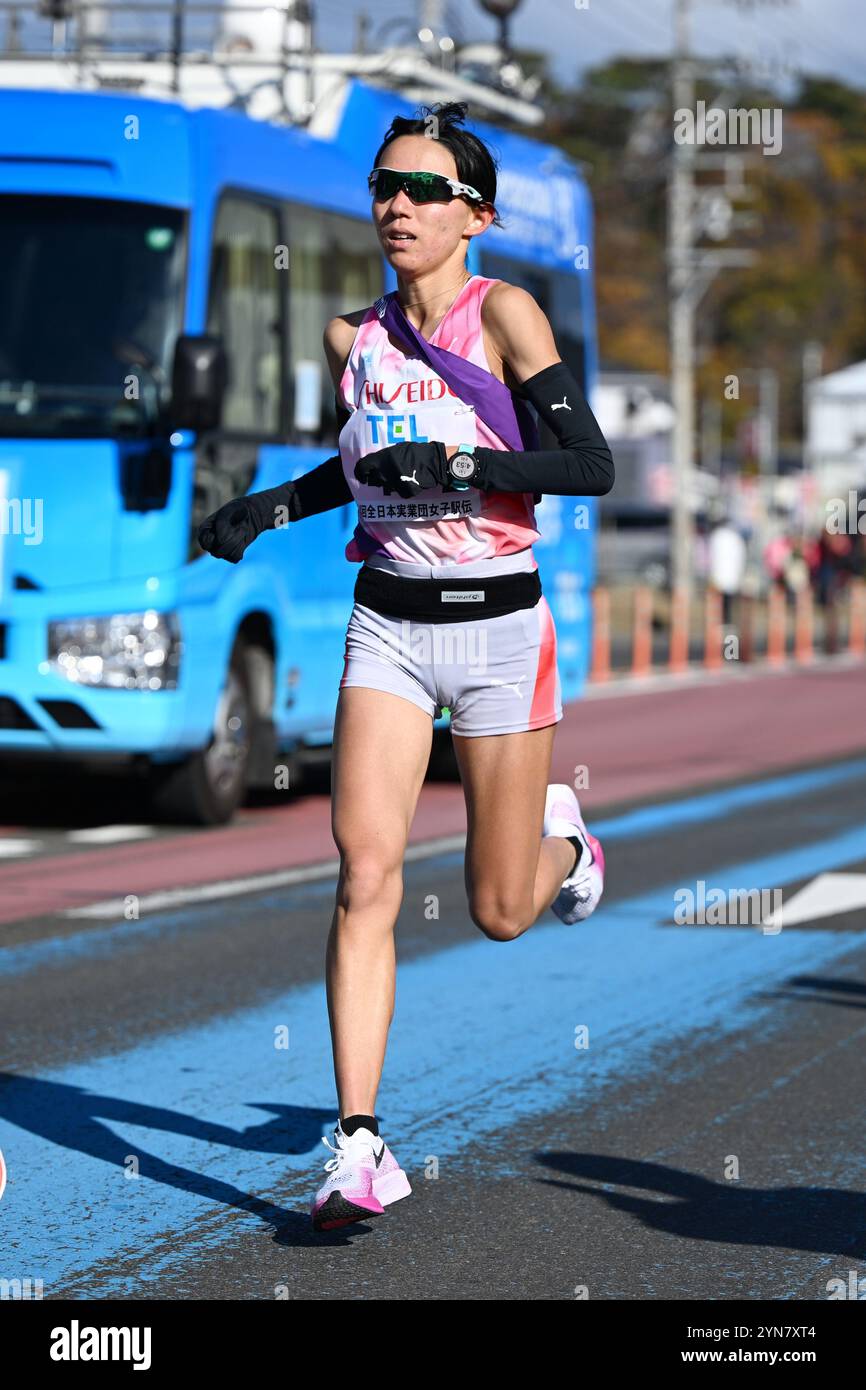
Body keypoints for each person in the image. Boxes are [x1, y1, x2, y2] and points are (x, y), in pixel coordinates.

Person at [198, 101, 615, 1232]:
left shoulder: (506, 314)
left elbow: (587, 464)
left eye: (424, 191)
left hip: (497, 631)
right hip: (385, 618)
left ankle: (565, 842)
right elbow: (361, 469)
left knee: (495, 910)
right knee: (364, 874)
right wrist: (272, 503)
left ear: (473, 215)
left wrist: (471, 462)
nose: (397, 205)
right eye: (385, 185)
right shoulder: (355, 339)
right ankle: (358, 1144)